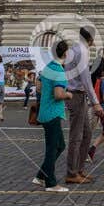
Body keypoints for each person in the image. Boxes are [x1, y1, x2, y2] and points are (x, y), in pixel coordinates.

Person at [64, 29, 104, 183]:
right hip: (76, 95)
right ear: (91, 39)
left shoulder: (75, 49)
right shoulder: (82, 51)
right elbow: (86, 79)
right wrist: (96, 102)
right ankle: (72, 173)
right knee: (77, 136)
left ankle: (79, 169)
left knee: (86, 134)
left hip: (79, 95)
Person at [32, 40, 71, 190]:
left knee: (60, 145)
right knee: (53, 148)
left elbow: (39, 86)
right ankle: (51, 183)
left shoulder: (48, 67)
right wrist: (69, 95)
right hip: (53, 113)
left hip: (45, 112)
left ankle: (41, 175)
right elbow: (58, 94)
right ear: (66, 53)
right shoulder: (59, 71)